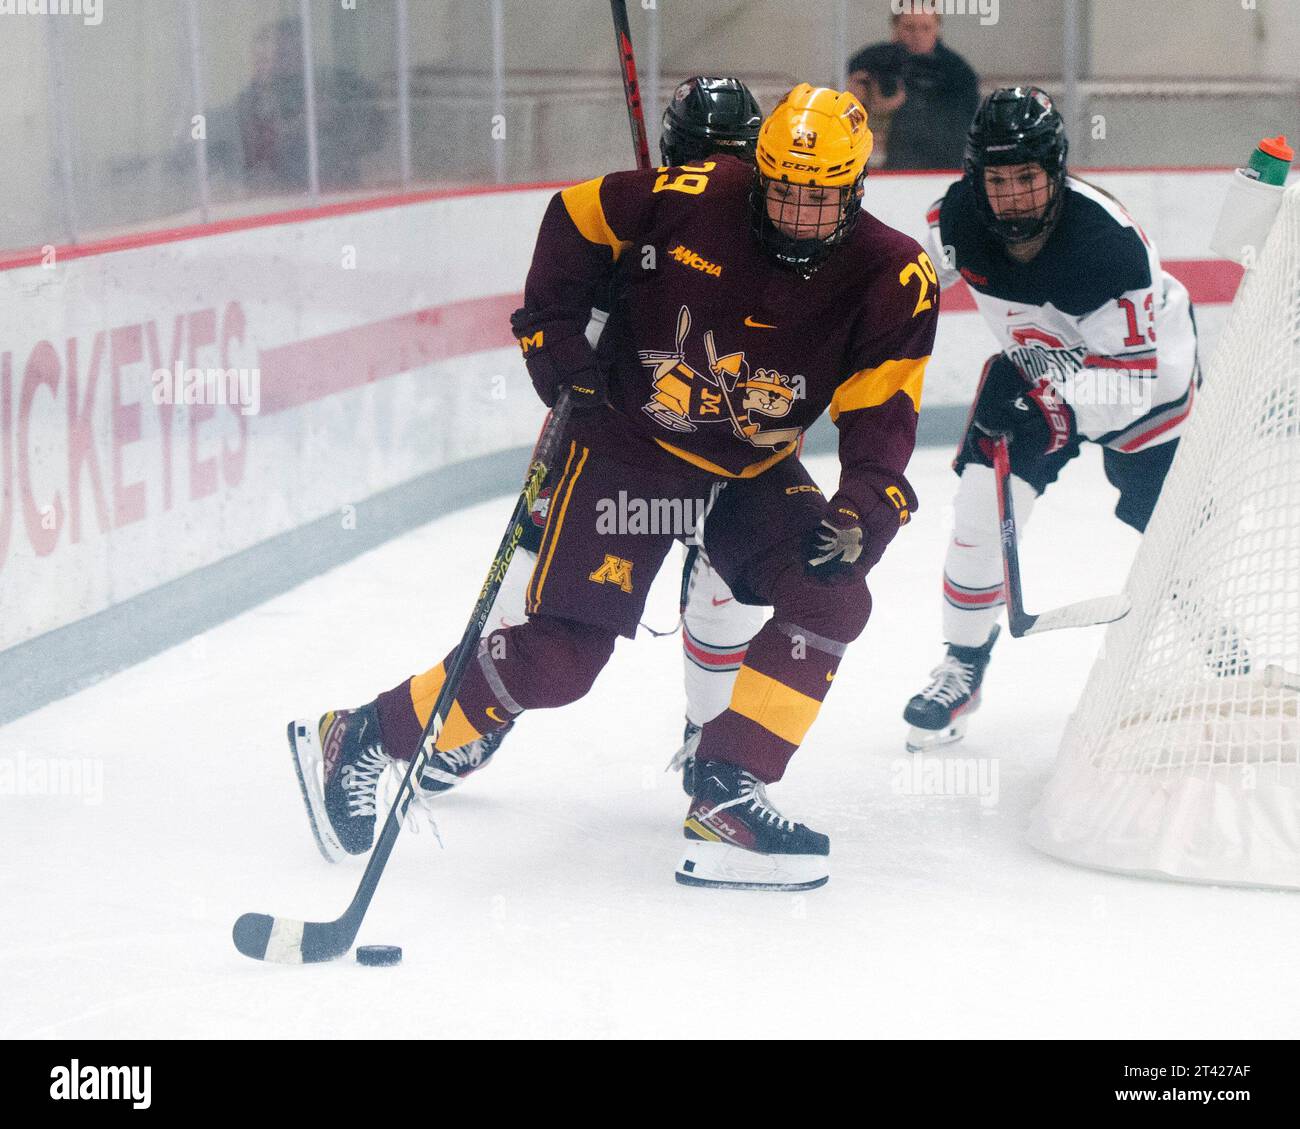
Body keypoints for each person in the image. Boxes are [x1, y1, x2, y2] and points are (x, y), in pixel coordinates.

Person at [290, 83, 938, 891]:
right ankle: (362, 734)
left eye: (820, 199)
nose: (796, 213)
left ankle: (727, 788)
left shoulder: (894, 274)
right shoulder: (698, 195)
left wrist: (864, 509)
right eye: (782, 190)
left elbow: (883, 412)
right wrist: (551, 338)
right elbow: (575, 214)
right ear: (758, 171)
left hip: (747, 471)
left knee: (833, 592)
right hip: (629, 452)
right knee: (560, 660)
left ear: (857, 188)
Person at [902, 87, 1201, 753]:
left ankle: (1207, 623)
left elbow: (1126, 389)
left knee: (1169, 527)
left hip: (1146, 381)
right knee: (980, 512)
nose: (1011, 197)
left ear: (1056, 172)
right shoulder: (960, 217)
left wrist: (1050, 401)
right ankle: (963, 666)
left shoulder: (1107, 246)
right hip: (1035, 370)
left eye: (1027, 179)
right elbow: (907, 286)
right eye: (997, 180)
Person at [846, 9, 979, 170]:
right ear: (895, 28)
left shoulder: (957, 73)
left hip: (940, 165)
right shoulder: (871, 60)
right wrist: (866, 103)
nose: (918, 35)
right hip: (887, 166)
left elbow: (962, 129)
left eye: (925, 28)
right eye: (909, 28)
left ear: (937, 29)